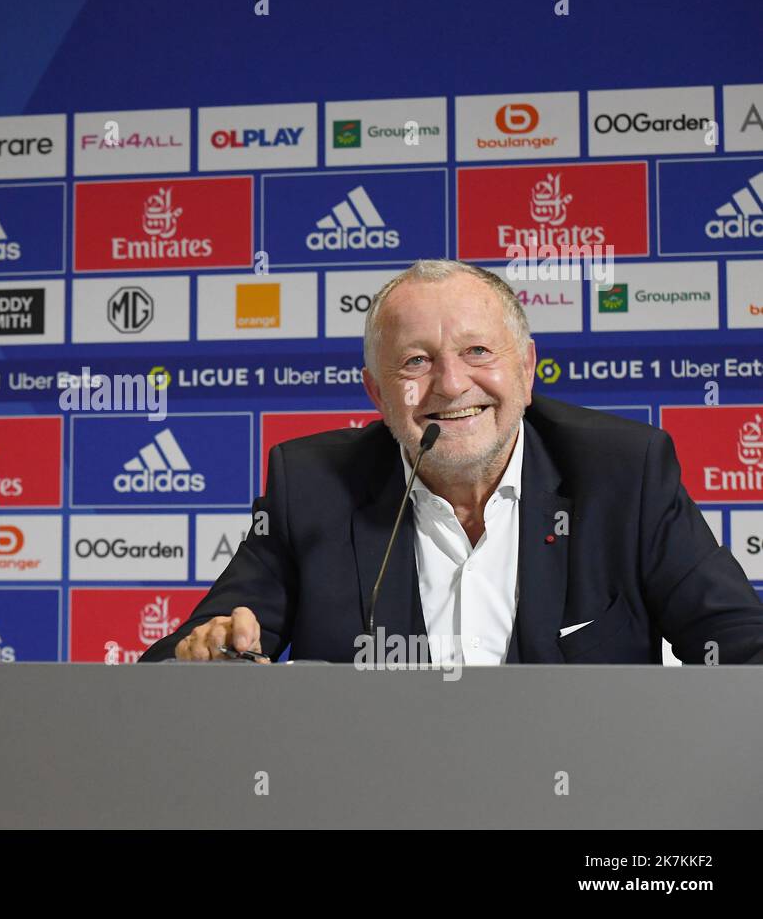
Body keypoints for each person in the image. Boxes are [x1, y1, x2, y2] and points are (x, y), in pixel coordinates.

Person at [142, 259, 763, 665]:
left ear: (525, 372)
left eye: (477, 351)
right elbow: (190, 656)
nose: (450, 384)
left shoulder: (625, 474)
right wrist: (212, 654)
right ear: (378, 396)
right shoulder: (311, 488)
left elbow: (742, 651)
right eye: (415, 362)